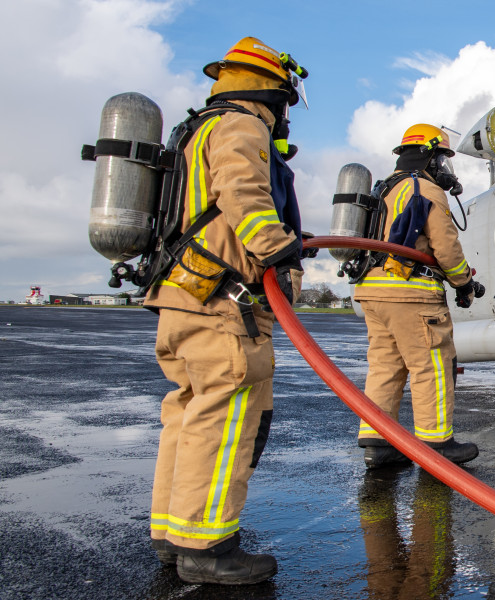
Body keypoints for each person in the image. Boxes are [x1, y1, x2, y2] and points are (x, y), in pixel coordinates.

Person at [145, 37, 309, 585]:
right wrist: (275, 244)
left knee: (188, 414)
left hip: (182, 294)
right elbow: (242, 188)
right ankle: (207, 546)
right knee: (224, 416)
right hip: (223, 298)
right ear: (274, 91)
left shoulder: (197, 128)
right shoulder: (244, 123)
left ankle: (173, 534)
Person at [353, 124, 485, 467]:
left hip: (372, 292)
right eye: (443, 159)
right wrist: (463, 284)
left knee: (385, 365)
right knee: (432, 365)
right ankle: (437, 445)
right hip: (411, 294)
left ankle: (378, 443)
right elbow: (446, 247)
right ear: (431, 156)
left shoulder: (386, 188)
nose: (445, 169)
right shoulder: (426, 188)